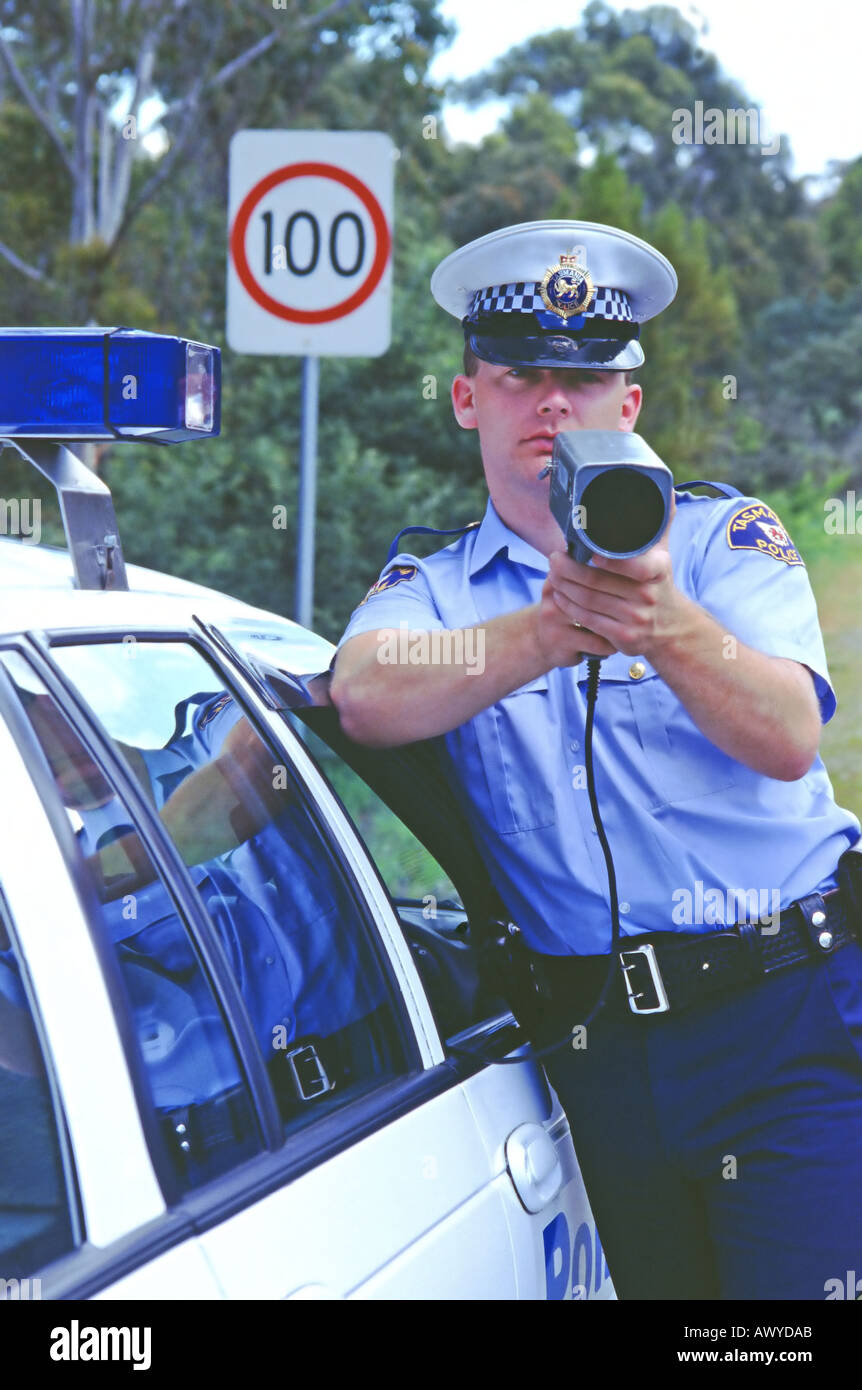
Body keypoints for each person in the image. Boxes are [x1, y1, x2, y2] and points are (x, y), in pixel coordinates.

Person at [330, 219, 862, 1300]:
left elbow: (787, 734)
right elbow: (365, 692)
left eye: (584, 377)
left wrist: (660, 621)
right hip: (597, 1048)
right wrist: (544, 632)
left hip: (782, 1021)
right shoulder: (433, 583)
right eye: (520, 374)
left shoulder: (722, 541)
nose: (553, 404)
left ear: (628, 402)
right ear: (466, 397)